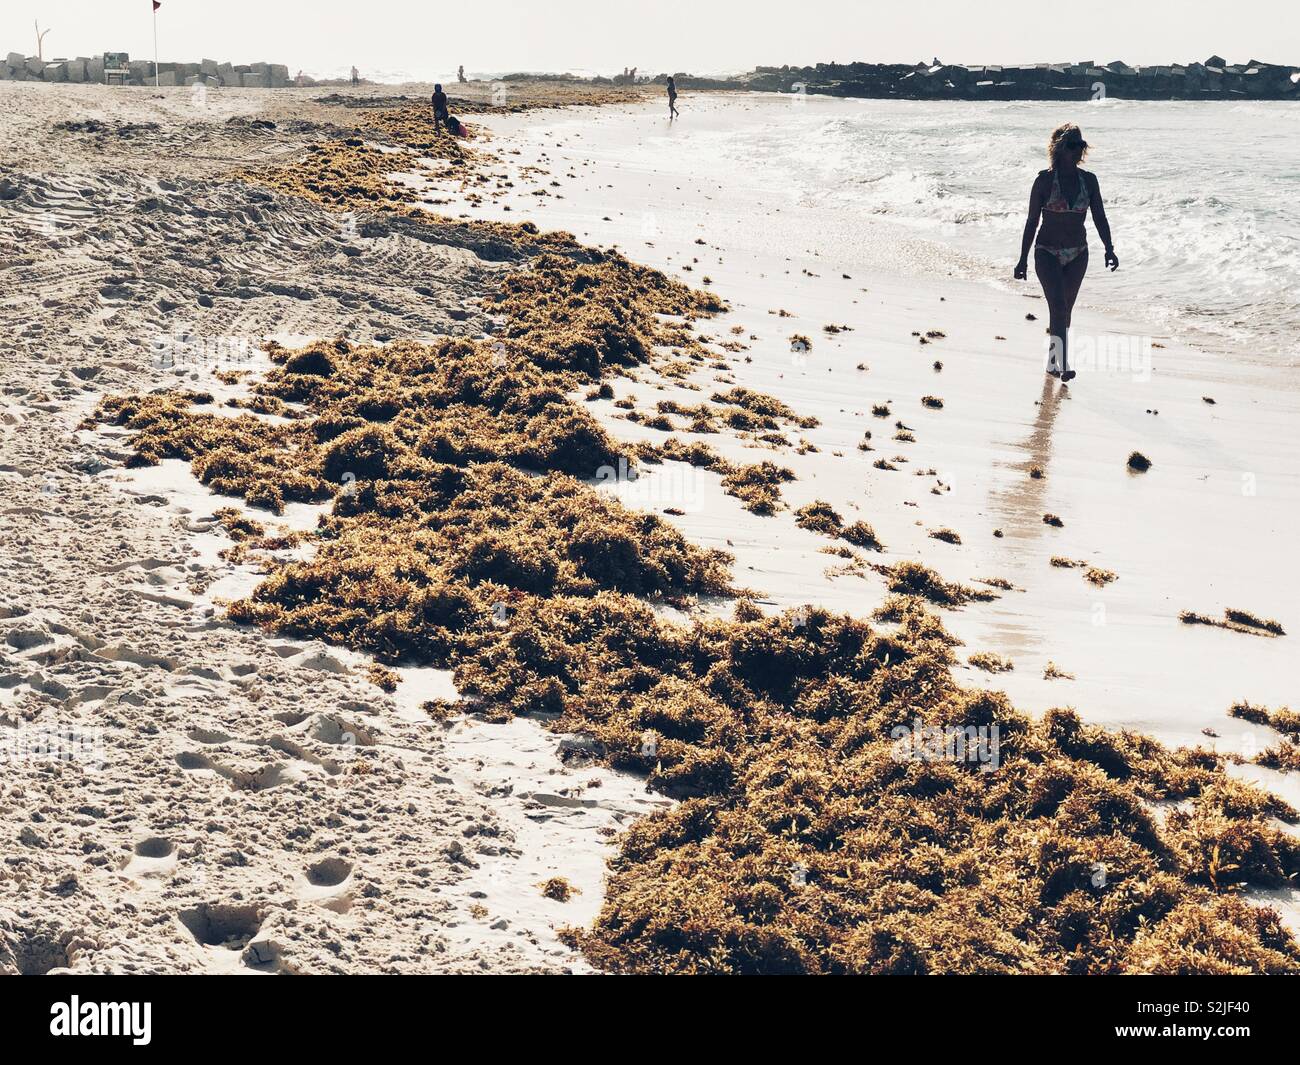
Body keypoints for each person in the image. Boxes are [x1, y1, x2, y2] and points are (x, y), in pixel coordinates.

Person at [1015, 124, 1117, 381]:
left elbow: (1100, 218)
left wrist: (1109, 248)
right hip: (1046, 252)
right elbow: (1031, 222)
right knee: (1058, 306)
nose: (1077, 151)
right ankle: (1064, 362)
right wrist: (1022, 259)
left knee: (1065, 311)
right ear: (1059, 149)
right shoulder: (1044, 181)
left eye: (1080, 146)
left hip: (1078, 254)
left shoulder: (1089, 181)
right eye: (1072, 146)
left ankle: (1052, 362)